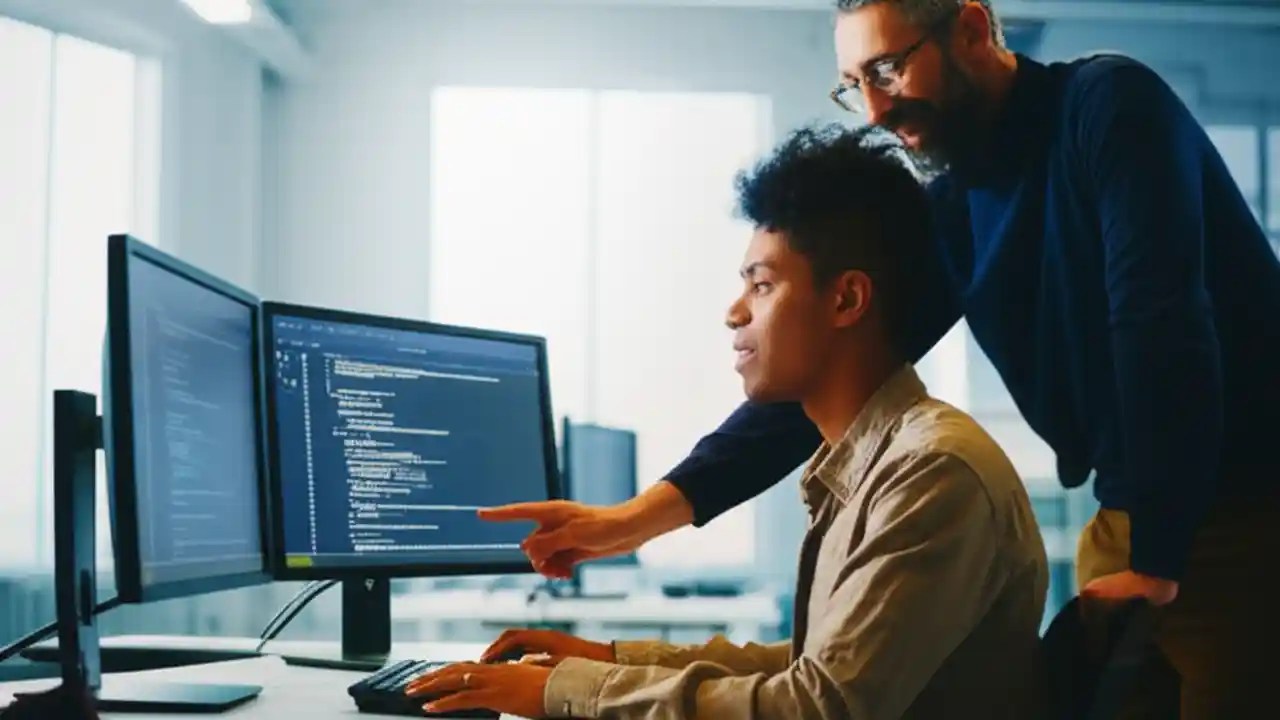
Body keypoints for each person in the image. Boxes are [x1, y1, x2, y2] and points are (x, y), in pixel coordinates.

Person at [481, 1, 1280, 717]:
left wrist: (1160, 560)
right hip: (1133, 511)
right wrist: (634, 520)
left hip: (1247, 507)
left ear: (971, 28)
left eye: (888, 67)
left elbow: (1160, 319)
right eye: (853, 82)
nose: (873, 106)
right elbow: (825, 370)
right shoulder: (958, 204)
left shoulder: (1108, 106)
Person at [406, 124, 1049, 719]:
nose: (734, 312)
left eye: (761, 285)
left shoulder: (931, 473)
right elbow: (805, 663)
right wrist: (606, 659)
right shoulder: (876, 462)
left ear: (847, 298)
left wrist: (566, 693)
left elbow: (814, 706)